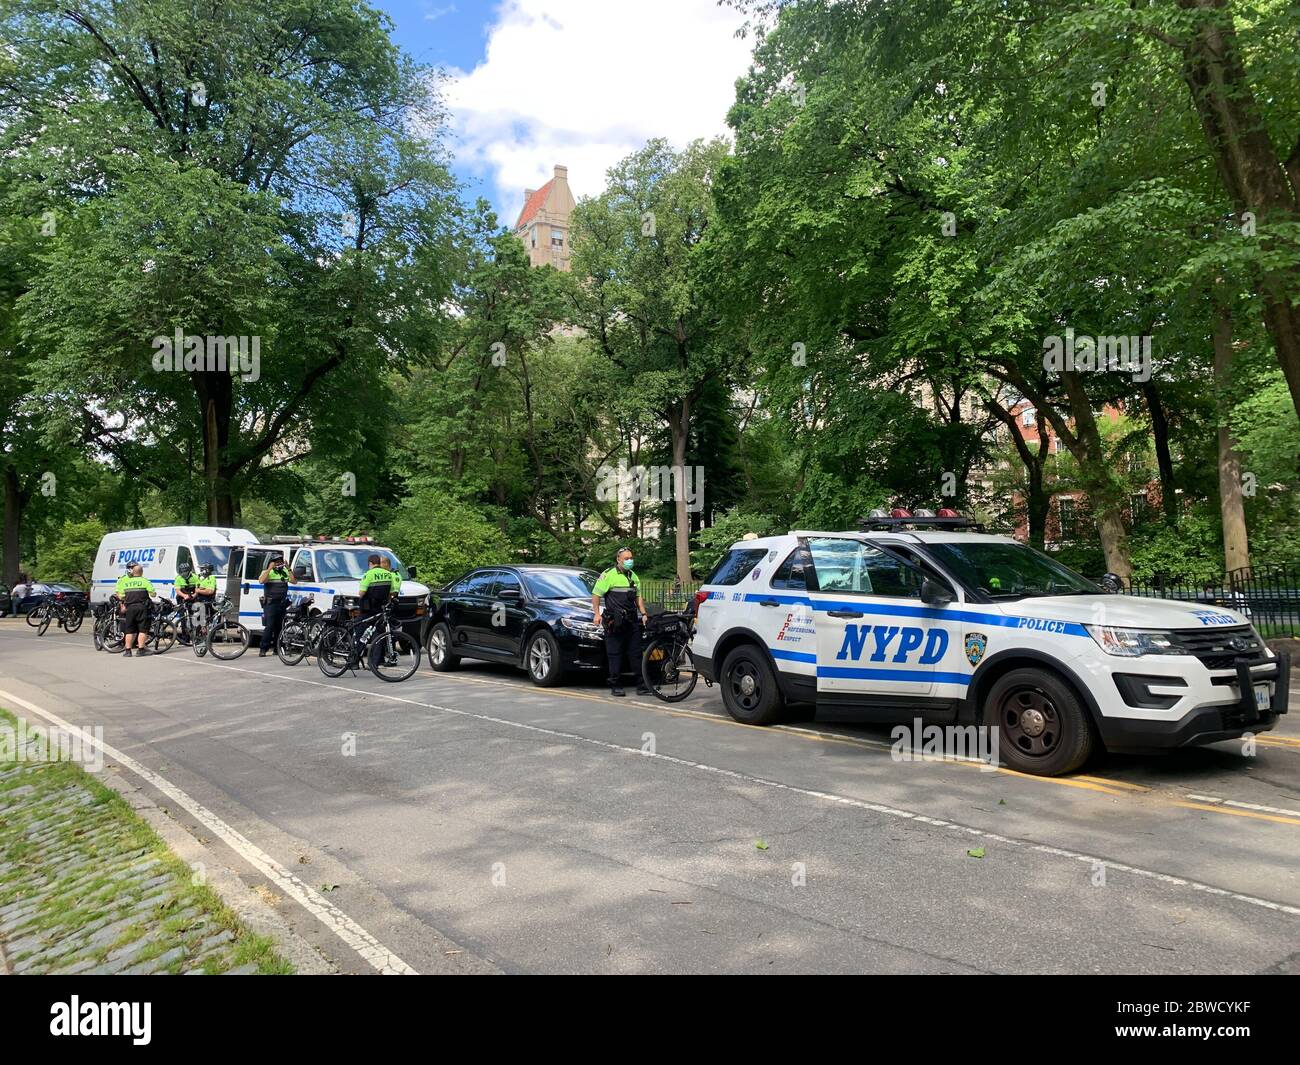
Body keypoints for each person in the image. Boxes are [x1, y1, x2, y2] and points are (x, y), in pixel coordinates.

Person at [591, 548, 651, 697]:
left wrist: (643, 613)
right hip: (614, 621)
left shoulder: (633, 576)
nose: (630, 560)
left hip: (631, 620)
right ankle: (615, 684)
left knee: (636, 653)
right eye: (626, 558)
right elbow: (596, 595)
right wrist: (597, 614)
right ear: (618, 560)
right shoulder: (608, 575)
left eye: (631, 557)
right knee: (614, 654)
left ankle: (641, 685)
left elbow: (638, 597)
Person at [257, 553, 297, 657]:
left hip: (282, 603)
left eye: (280, 561)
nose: (279, 563)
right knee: (269, 626)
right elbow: (261, 581)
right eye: (276, 562)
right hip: (270, 603)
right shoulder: (266, 572)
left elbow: (294, 581)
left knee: (279, 627)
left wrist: (288, 568)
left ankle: (277, 648)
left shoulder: (284, 572)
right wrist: (270, 568)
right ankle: (263, 648)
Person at [114, 563, 156, 657]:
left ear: (133, 572)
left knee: (129, 630)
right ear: (142, 572)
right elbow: (153, 594)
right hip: (142, 607)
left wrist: (125, 601)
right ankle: (141, 650)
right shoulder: (145, 581)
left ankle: (128, 651)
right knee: (143, 630)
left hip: (130, 608)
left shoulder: (125, 582)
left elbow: (120, 596)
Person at [174, 562, 200, 641]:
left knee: (193, 617)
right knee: (183, 618)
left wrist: (194, 595)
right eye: (181, 572)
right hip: (182, 597)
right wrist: (184, 596)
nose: (183, 574)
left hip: (192, 597)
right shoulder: (178, 578)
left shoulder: (195, 577)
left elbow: (197, 589)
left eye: (185, 572)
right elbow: (178, 590)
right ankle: (185, 637)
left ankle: (195, 636)